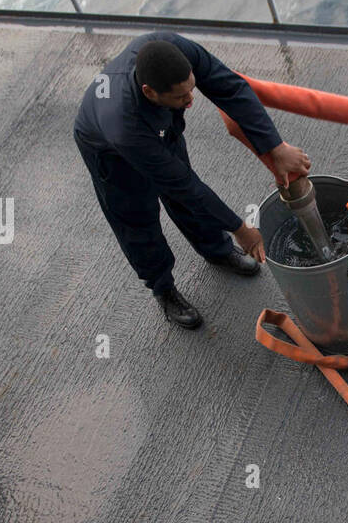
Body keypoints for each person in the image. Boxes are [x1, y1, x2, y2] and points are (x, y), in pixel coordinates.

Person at [74, 31, 310, 329]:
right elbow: (184, 185)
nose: (191, 100)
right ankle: (163, 288)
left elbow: (232, 88)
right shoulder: (123, 125)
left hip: (160, 126)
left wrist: (275, 147)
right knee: (137, 218)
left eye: (192, 89)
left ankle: (216, 249)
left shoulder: (173, 48)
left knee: (185, 199)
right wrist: (241, 228)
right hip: (110, 152)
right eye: (181, 96)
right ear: (150, 92)